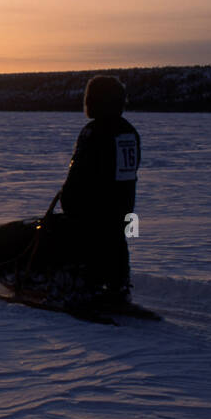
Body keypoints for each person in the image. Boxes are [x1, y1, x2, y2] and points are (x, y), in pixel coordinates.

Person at [53, 75, 140, 300]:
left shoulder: (94, 131)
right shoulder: (128, 131)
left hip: (92, 204)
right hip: (122, 203)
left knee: (82, 240)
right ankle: (118, 285)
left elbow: (80, 170)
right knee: (115, 240)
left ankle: (82, 287)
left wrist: (68, 198)